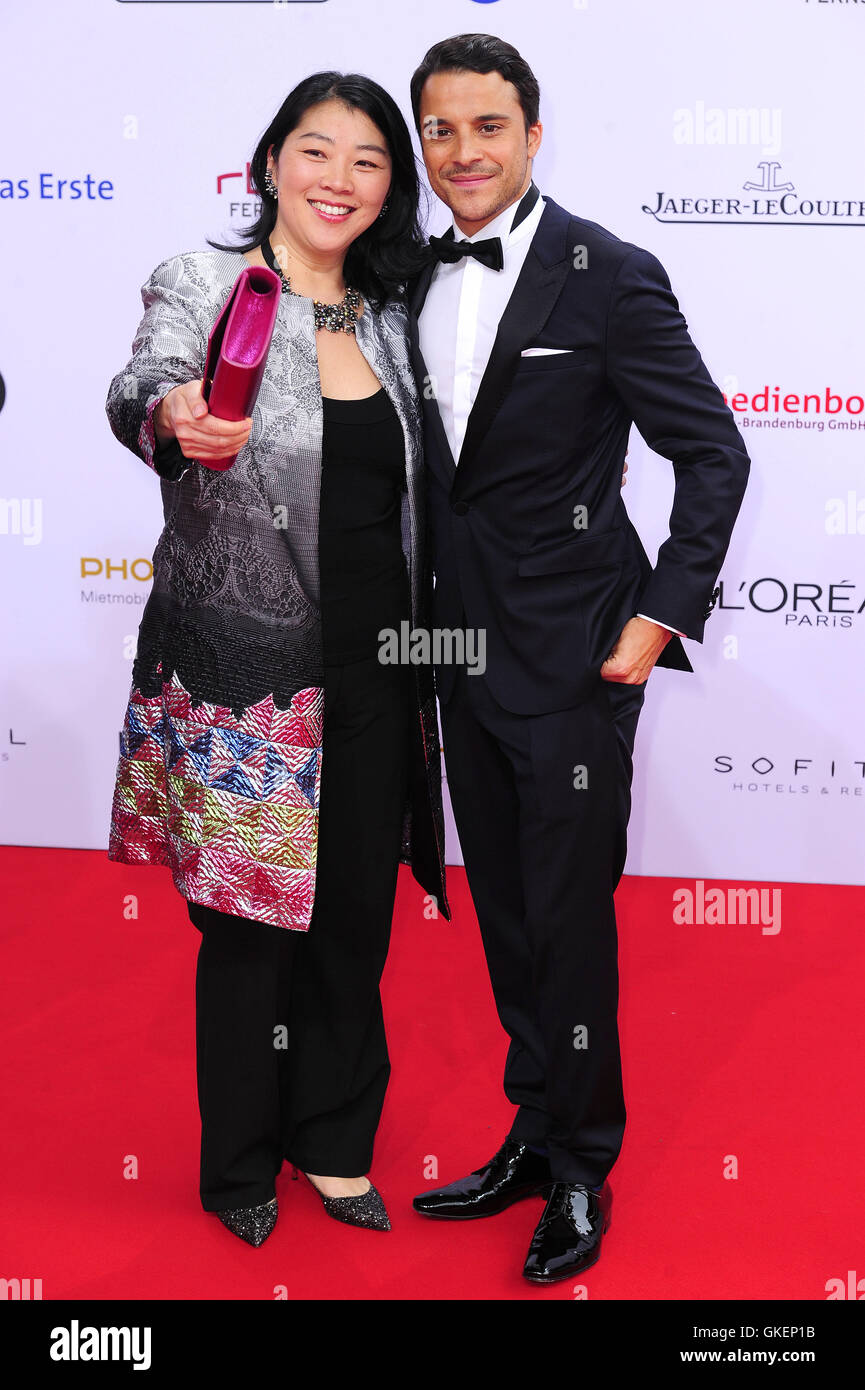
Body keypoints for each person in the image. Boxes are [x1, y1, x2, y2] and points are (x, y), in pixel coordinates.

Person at [406, 33, 750, 1283]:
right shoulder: (403, 269)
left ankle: (583, 1169)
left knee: (568, 918)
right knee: (502, 910)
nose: (461, 153)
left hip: (573, 657)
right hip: (448, 645)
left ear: (533, 134)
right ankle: (530, 1124)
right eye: (438, 130)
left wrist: (658, 616)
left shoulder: (610, 273)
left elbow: (712, 452)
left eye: (485, 126)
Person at [104, 71, 449, 1247]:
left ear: (387, 188)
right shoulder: (204, 284)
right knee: (250, 929)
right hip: (250, 668)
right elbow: (144, 385)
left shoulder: (393, 320)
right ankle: (240, 1159)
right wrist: (172, 417)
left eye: (366, 160)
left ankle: (336, 1141)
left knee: (354, 914)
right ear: (268, 164)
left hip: (381, 666)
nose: (337, 179)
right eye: (317, 151)